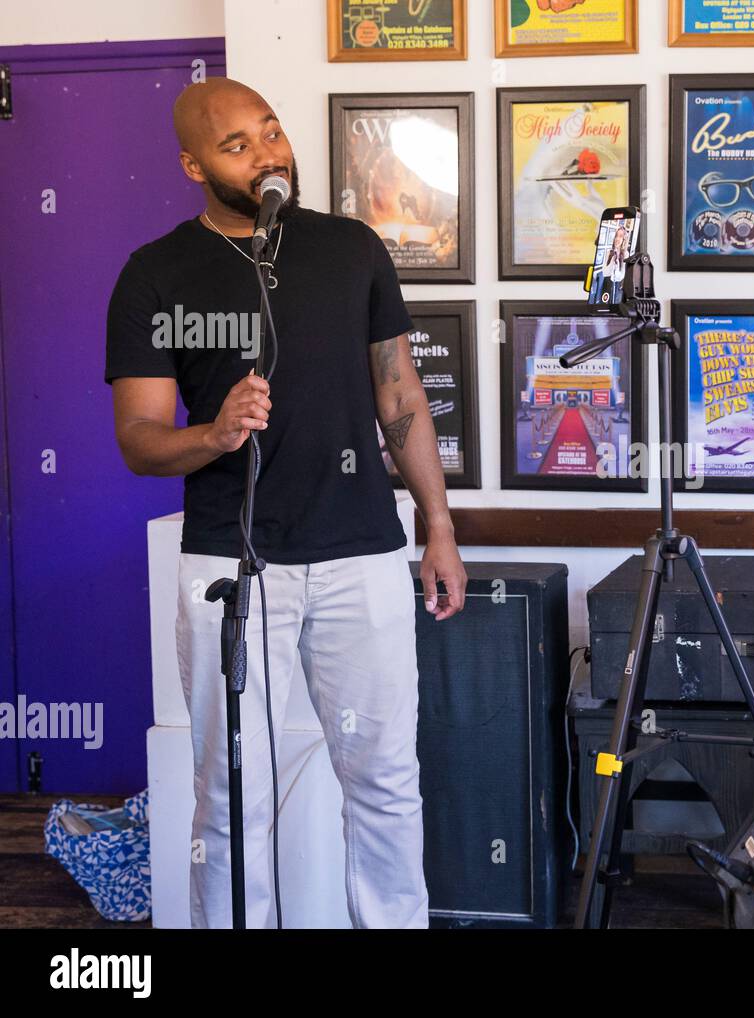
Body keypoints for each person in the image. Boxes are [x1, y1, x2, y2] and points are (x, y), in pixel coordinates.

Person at [105, 78, 468, 928]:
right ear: (193, 163)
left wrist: (440, 530)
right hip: (232, 565)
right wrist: (216, 433)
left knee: (384, 777)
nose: (268, 154)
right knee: (233, 794)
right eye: (238, 145)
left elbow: (399, 395)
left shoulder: (352, 248)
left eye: (271, 131)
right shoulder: (154, 275)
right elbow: (138, 439)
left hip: (363, 554)